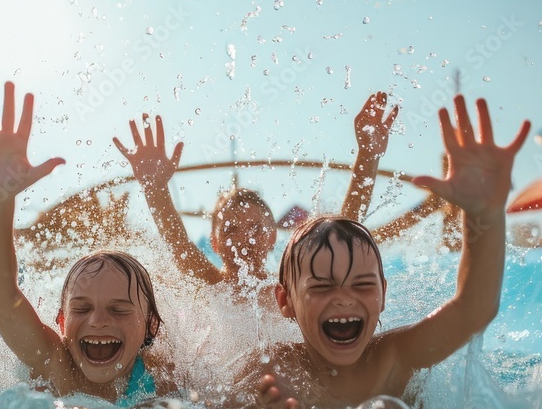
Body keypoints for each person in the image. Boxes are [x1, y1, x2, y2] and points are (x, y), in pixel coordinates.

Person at [218, 95, 530, 409]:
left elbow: (473, 311)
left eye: (362, 285)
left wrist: (485, 215)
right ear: (286, 301)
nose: (344, 300)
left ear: (383, 293)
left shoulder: (396, 356)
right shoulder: (272, 369)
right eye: (323, 288)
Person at [0, 82, 178, 403]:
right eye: (81, 308)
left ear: (150, 325)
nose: (98, 321)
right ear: (61, 322)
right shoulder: (56, 365)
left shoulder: (162, 379)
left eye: (119, 309)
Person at [110, 92, 398, 303]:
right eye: (230, 229)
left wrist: (367, 156)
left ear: (273, 236)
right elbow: (177, 242)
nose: (244, 238)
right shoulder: (211, 284)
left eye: (256, 228)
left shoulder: (290, 287)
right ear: (215, 243)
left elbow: (342, 234)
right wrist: (155, 187)